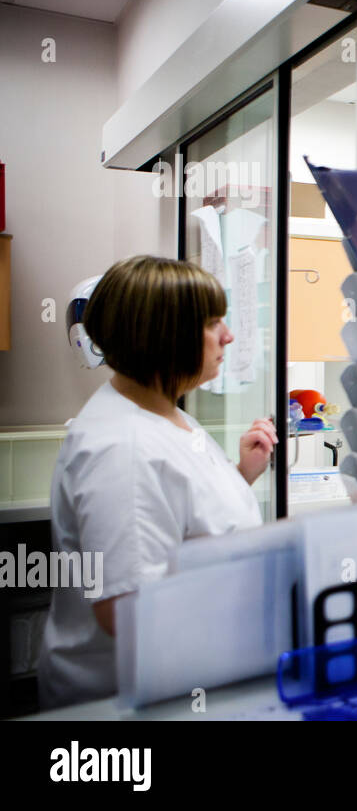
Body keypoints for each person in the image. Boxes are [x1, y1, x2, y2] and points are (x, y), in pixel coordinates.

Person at [38, 256, 277, 709]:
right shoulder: (123, 449)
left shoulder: (158, 411)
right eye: (212, 323)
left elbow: (179, 513)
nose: (228, 336)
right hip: (130, 702)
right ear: (166, 335)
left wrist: (241, 474)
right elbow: (125, 612)